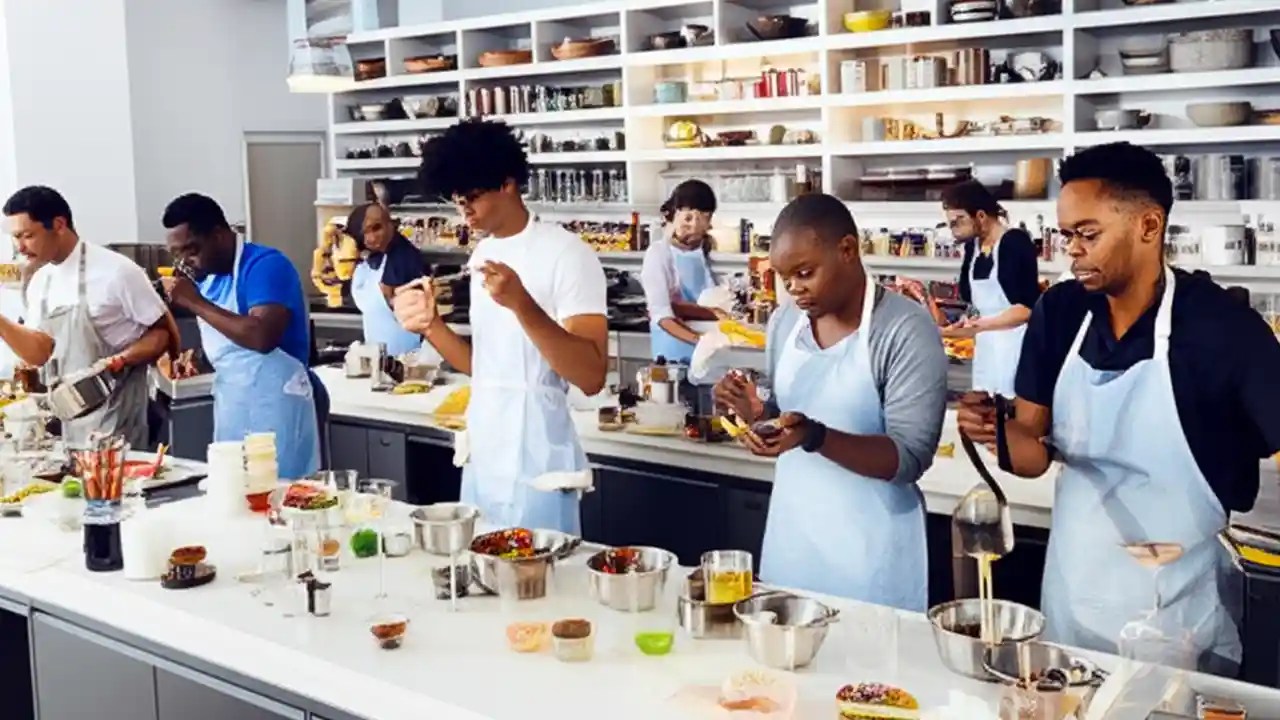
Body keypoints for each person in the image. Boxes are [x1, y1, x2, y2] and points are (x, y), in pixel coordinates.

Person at [958, 142, 1280, 674]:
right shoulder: (1060, 313)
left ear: (1149, 226)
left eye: (1088, 234)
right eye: (1066, 236)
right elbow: (1032, 451)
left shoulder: (1222, 330)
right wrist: (994, 428)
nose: (1072, 252)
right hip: (1073, 606)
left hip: (1182, 627)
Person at [713, 194, 948, 610]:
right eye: (785, 278)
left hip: (871, 559)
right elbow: (788, 418)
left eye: (805, 273)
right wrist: (754, 414)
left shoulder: (904, 330)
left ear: (847, 250)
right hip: (794, 542)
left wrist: (814, 436)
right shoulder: (786, 323)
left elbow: (908, 456)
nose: (794, 290)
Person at [393, 119, 607, 533]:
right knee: (481, 575)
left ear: (508, 184)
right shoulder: (484, 253)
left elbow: (591, 375)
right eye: (456, 200)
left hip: (538, 453)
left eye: (473, 197)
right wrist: (431, 325)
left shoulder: (566, 254)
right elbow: (487, 368)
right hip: (485, 448)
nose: (464, 211)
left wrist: (522, 304)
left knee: (542, 583)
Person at [159, 193, 320, 480]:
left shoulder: (264, 265)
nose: (186, 261)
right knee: (234, 494)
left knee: (280, 496)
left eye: (191, 249)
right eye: (177, 253)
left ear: (219, 235)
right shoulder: (210, 278)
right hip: (233, 406)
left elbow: (261, 337)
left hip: (276, 409)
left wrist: (194, 302)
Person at [0, 186, 173, 447]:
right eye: (15, 238)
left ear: (59, 224)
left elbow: (164, 333)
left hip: (116, 424)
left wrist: (120, 360)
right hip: (65, 423)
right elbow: (40, 354)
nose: (20, 247)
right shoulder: (40, 281)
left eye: (27, 235)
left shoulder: (117, 272)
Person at [900, 180, 1040, 397]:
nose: (954, 229)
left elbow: (1026, 309)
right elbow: (971, 302)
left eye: (959, 221)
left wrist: (980, 325)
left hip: (1015, 348)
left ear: (981, 216)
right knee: (983, 416)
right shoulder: (972, 247)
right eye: (951, 223)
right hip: (985, 349)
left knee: (1010, 416)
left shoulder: (1014, 243)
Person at [641, 180, 720, 362]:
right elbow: (662, 315)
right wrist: (700, 341)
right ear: (673, 215)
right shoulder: (658, 254)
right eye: (688, 219)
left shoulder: (705, 254)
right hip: (673, 358)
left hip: (709, 359)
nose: (693, 226)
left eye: (702, 218)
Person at [344, 202, 425, 356]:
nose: (371, 237)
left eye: (377, 228)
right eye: (364, 232)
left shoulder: (403, 258)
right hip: (374, 353)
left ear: (390, 224)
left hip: (407, 356)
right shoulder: (366, 260)